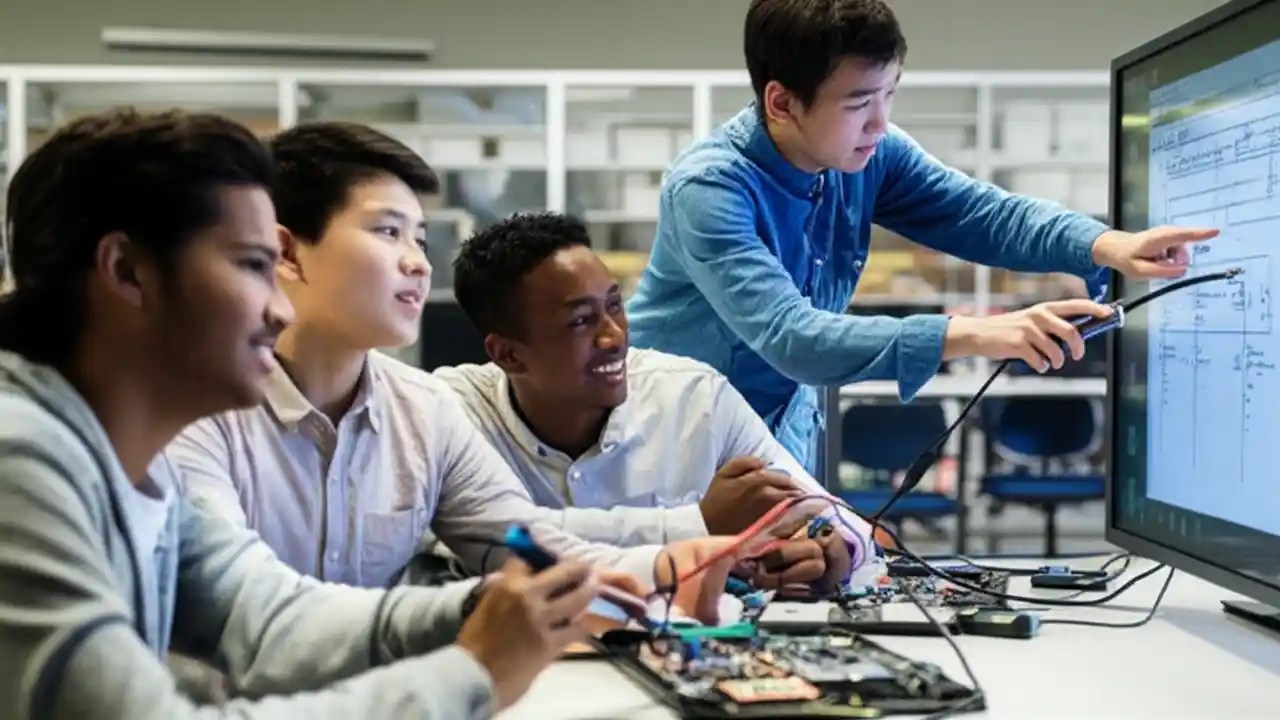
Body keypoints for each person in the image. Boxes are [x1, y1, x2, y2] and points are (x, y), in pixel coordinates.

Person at [0, 108, 652, 718]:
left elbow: (267, 615)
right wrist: (473, 672)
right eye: (253, 265)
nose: (279, 309)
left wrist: (483, 608)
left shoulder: (125, 466)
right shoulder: (19, 459)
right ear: (126, 271)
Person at [164, 121, 779, 600]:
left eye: (421, 240)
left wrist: (675, 563)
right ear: (288, 253)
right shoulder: (201, 414)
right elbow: (242, 597)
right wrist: (464, 613)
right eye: (387, 233)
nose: (417, 263)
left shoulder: (424, 415)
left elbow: (517, 543)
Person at [624, 0, 1219, 471]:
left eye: (890, 94)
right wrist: (985, 332)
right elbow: (793, 338)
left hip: (778, 437)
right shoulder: (709, 188)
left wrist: (1106, 245)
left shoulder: (869, 153)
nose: (881, 123)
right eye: (859, 103)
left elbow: (979, 213)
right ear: (781, 102)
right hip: (674, 449)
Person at [437, 211, 898, 590]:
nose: (614, 336)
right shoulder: (454, 412)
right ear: (508, 353)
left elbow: (837, 520)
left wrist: (832, 552)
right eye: (580, 321)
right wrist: (697, 525)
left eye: (614, 305)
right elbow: (504, 540)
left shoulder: (693, 396)